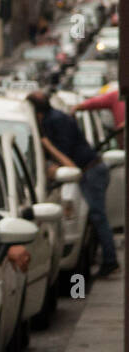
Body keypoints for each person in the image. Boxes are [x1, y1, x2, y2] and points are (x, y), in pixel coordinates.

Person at [27, 90, 119, 277]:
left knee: (98, 216)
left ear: (37, 112)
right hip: (90, 169)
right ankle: (109, 260)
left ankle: (111, 261)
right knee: (97, 216)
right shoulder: (53, 118)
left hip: (91, 171)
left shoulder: (55, 121)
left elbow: (69, 161)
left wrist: (47, 146)